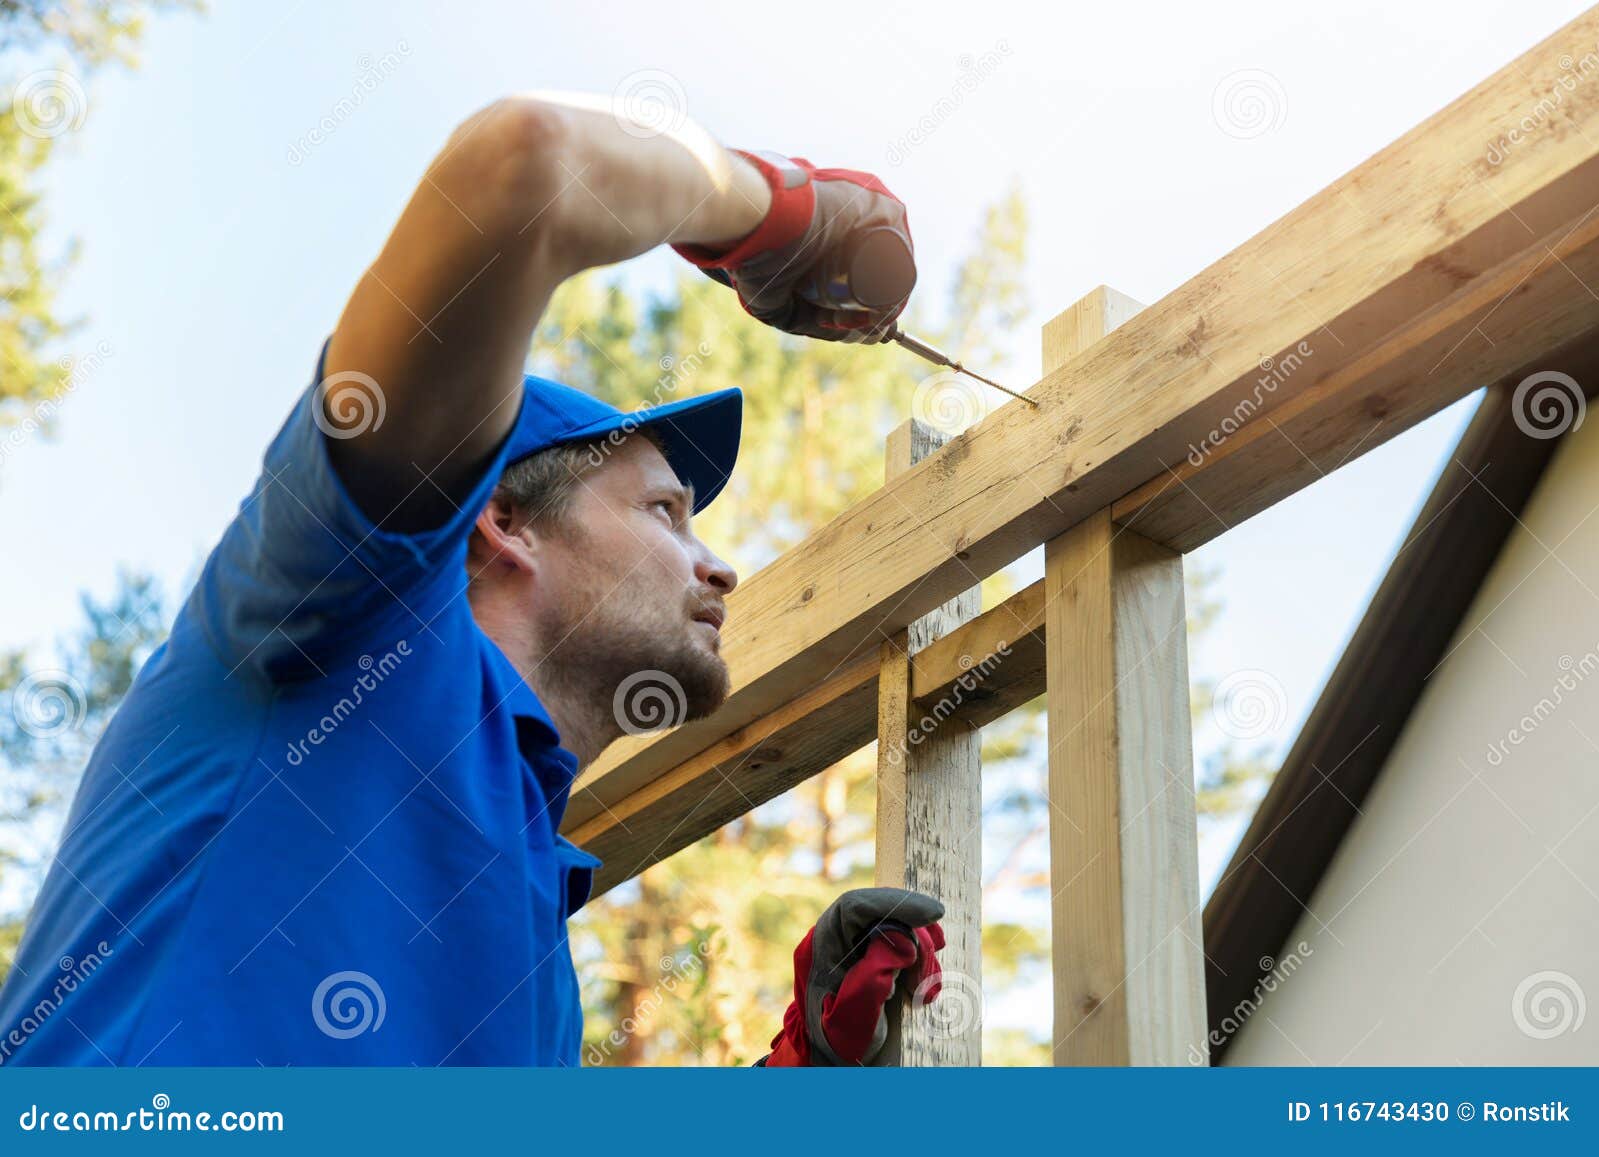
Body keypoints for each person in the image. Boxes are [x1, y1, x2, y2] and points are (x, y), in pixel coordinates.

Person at [0, 94, 945, 1066]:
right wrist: (776, 212)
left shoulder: (532, 933)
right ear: (500, 521)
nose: (719, 562)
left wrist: (806, 1069)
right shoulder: (339, 618)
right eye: (664, 511)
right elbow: (523, 163)